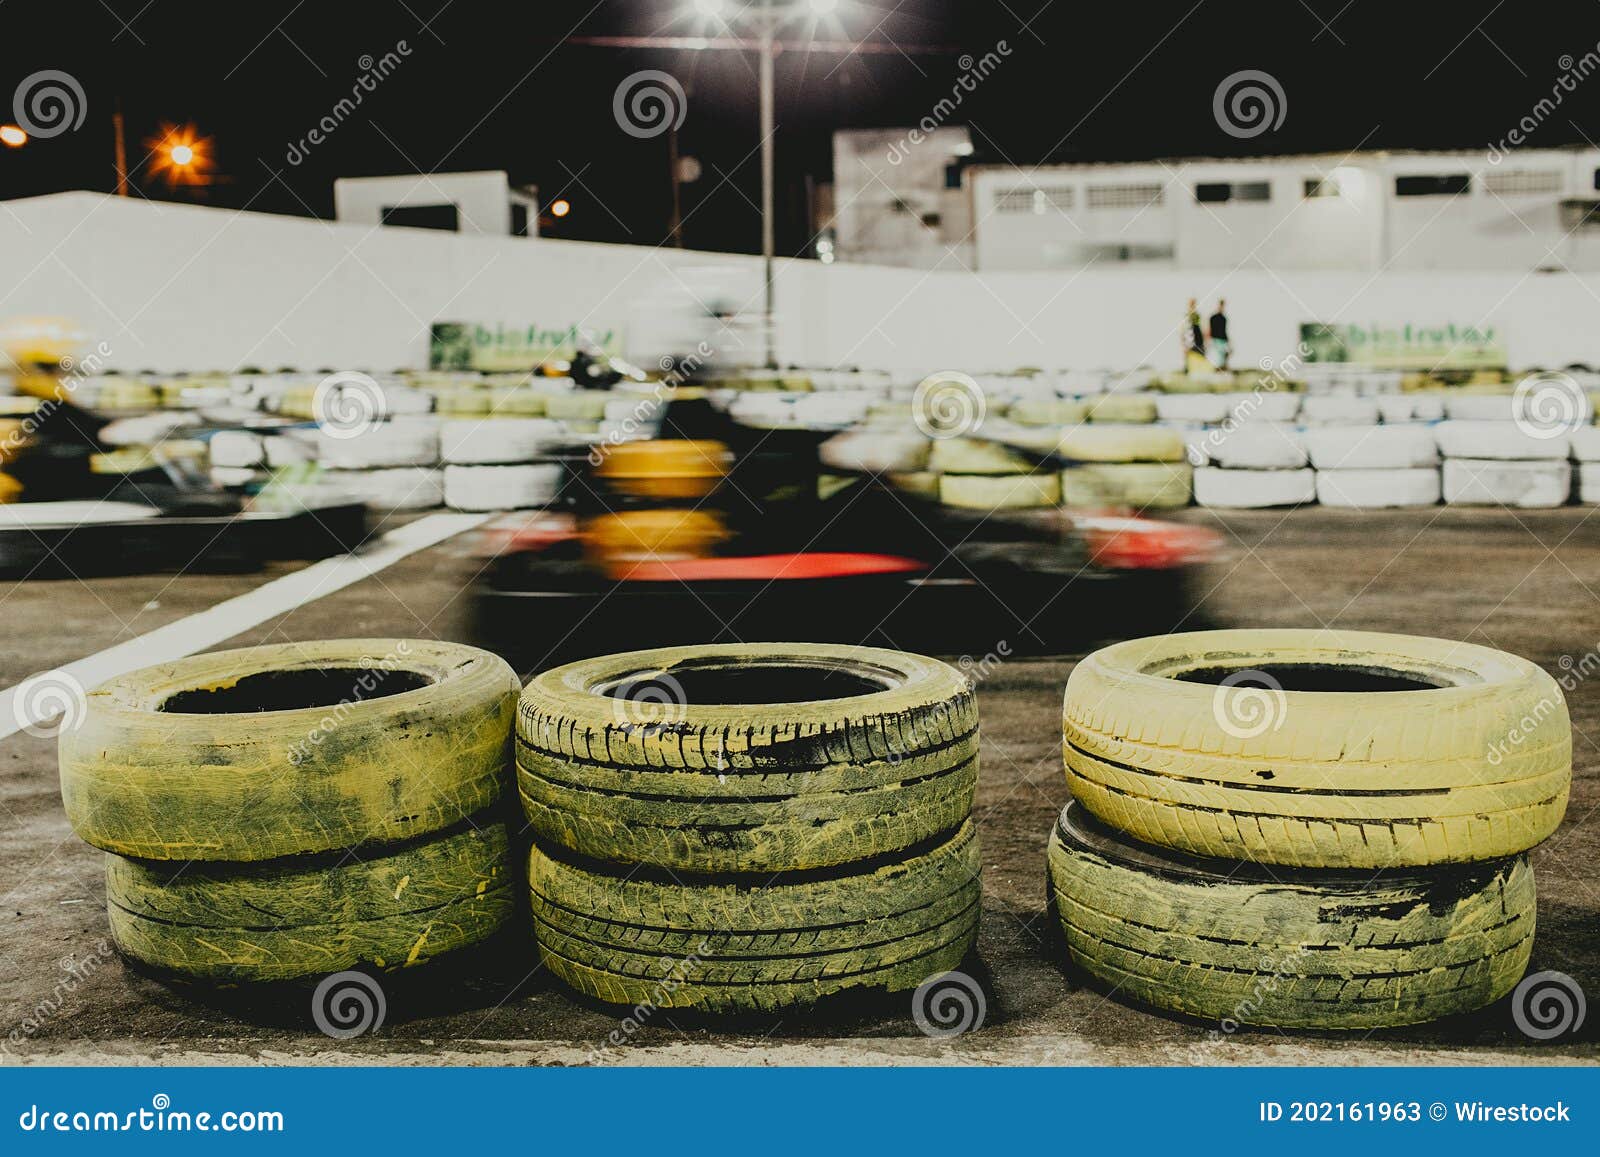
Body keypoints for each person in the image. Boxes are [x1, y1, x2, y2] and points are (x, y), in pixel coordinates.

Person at [1183, 299, 1207, 373]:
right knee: (1188, 360)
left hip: (1199, 340)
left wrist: (1205, 341)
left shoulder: (1198, 315)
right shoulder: (1186, 316)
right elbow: (1184, 330)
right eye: (1191, 304)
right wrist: (1184, 344)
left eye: (1194, 304)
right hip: (1189, 341)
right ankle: (1187, 372)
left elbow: (1203, 328)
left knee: (1201, 358)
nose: (1192, 305)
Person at [1208, 300, 1231, 369]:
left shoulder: (1224, 318)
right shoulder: (1213, 317)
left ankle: (1223, 368)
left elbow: (1224, 330)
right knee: (1217, 357)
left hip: (1223, 340)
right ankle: (1218, 368)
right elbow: (1209, 329)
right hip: (1215, 340)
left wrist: (1228, 340)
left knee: (1225, 354)